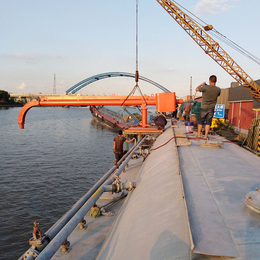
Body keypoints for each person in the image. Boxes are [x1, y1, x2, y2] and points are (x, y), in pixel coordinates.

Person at [196, 75, 221, 140]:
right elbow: (217, 94)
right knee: (208, 122)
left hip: (204, 107)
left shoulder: (205, 87)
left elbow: (196, 89)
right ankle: (205, 136)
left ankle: (198, 135)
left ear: (209, 80)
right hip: (211, 108)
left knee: (201, 121)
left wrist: (201, 85)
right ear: (215, 81)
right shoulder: (218, 89)